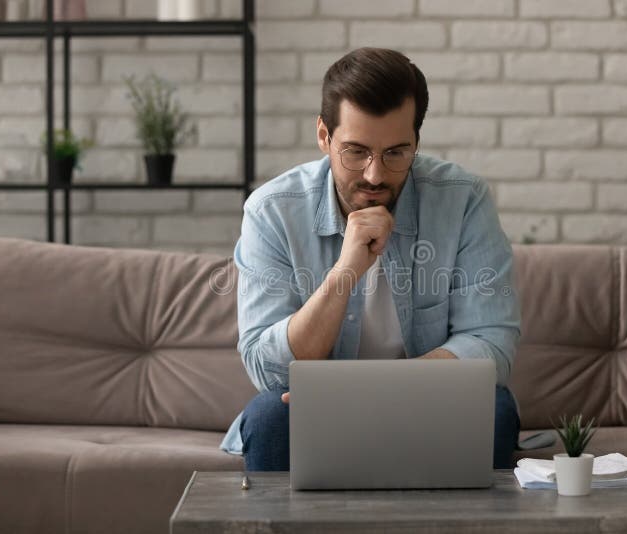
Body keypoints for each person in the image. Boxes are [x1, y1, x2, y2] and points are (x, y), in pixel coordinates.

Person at [220, 47, 521, 470]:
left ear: (417, 142)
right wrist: (345, 272)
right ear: (324, 136)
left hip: (428, 402)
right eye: (356, 152)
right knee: (270, 418)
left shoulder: (463, 200)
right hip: (318, 413)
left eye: (396, 153)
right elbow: (269, 372)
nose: (375, 175)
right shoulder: (272, 210)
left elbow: (491, 342)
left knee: (496, 410)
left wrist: (376, 391)